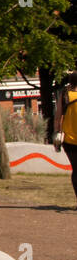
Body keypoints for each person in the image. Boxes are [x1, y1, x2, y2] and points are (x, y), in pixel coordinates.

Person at [54, 71, 77, 201]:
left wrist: (56, 132)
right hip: (70, 139)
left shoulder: (65, 94)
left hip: (69, 139)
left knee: (76, 169)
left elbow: (58, 117)